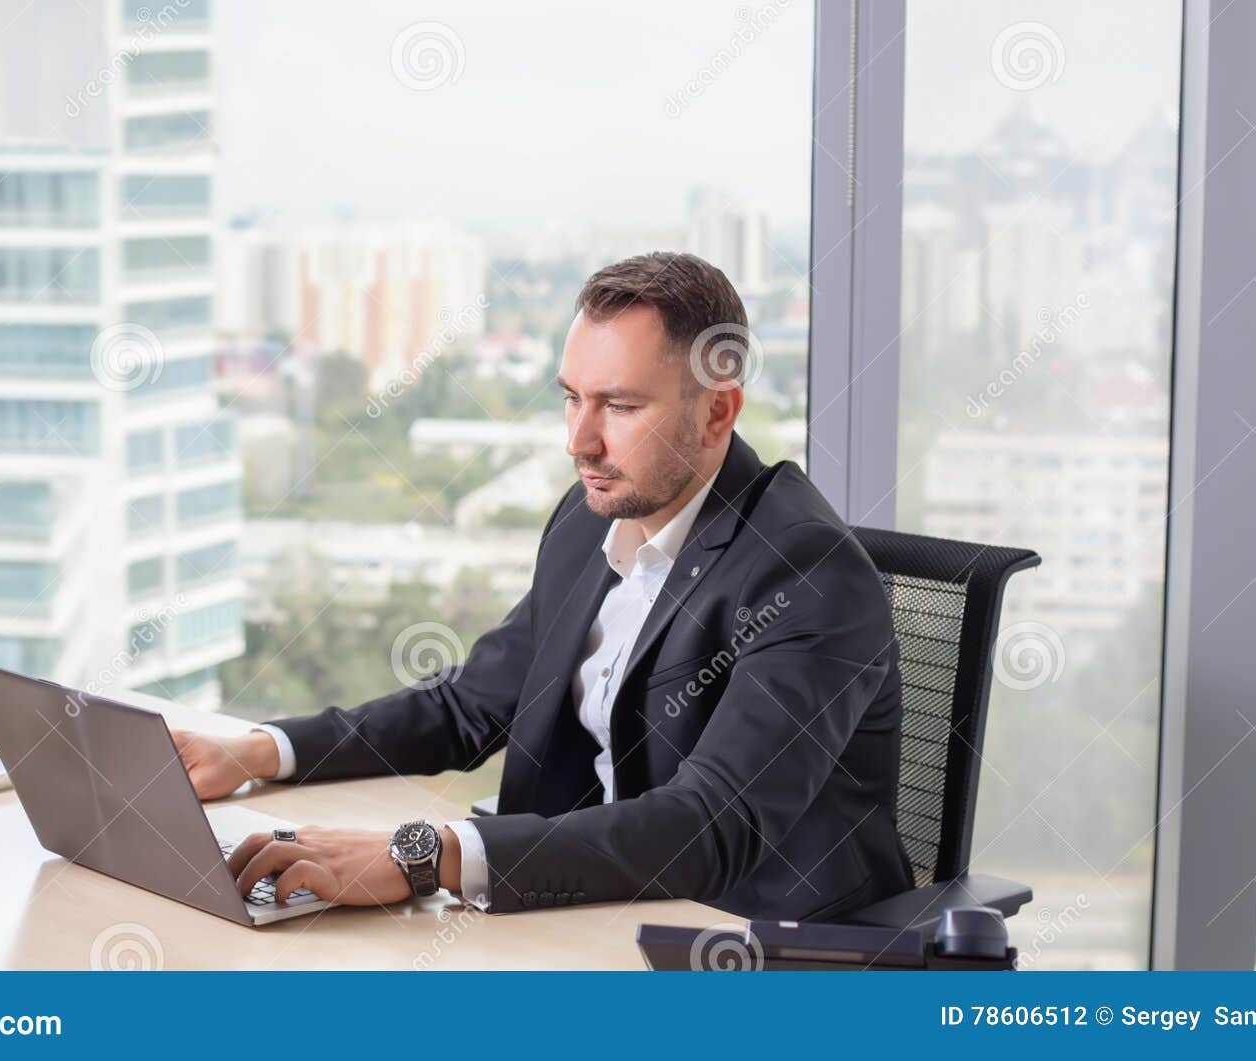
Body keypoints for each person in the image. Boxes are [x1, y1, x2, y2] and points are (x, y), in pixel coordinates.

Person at [172, 251, 913, 920]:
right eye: (572, 397)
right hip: (592, 912)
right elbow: (469, 705)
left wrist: (420, 856)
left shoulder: (808, 571)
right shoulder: (591, 518)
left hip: (757, 949)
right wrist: (261, 751)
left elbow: (711, 823)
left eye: (620, 406)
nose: (579, 441)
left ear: (717, 410)